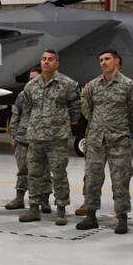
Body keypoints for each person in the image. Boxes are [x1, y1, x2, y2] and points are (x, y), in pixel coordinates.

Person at [77, 50, 133, 233]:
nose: (103, 63)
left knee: (120, 179)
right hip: (96, 139)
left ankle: (122, 218)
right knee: (92, 178)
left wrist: (123, 129)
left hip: (119, 140)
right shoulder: (92, 85)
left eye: (107, 59)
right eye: (101, 60)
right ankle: (91, 215)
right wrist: (98, 125)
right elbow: (87, 108)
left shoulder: (128, 85)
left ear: (117, 62)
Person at [16, 51, 80, 226]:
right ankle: (34, 208)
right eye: (44, 59)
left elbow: (75, 108)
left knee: (59, 174)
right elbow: (27, 109)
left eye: (50, 59)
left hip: (56, 138)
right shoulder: (31, 85)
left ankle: (61, 210)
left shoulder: (67, 84)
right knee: (34, 174)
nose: (46, 62)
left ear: (57, 63)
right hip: (35, 137)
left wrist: (63, 124)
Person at [6, 69, 41, 211]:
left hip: (40, 139)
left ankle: (43, 200)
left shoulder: (45, 94)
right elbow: (16, 114)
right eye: (30, 78)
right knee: (22, 170)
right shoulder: (22, 95)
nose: (32, 81)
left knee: (42, 171)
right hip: (22, 138)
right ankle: (19, 198)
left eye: (35, 78)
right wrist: (14, 135)